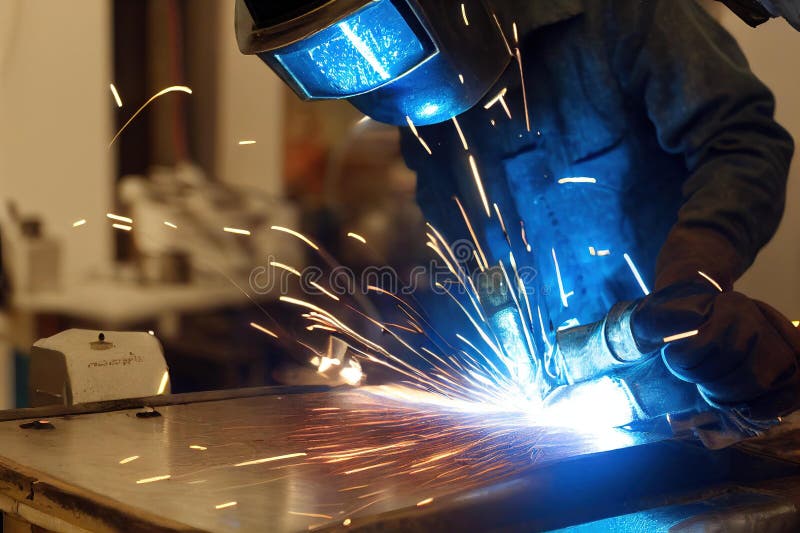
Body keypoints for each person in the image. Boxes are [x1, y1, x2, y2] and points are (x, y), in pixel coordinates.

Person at [236, 0, 800, 421]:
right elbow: (465, 245)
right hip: (560, 408)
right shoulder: (426, 102)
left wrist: (690, 279)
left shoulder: (619, 13)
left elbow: (742, 141)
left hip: (686, 386)